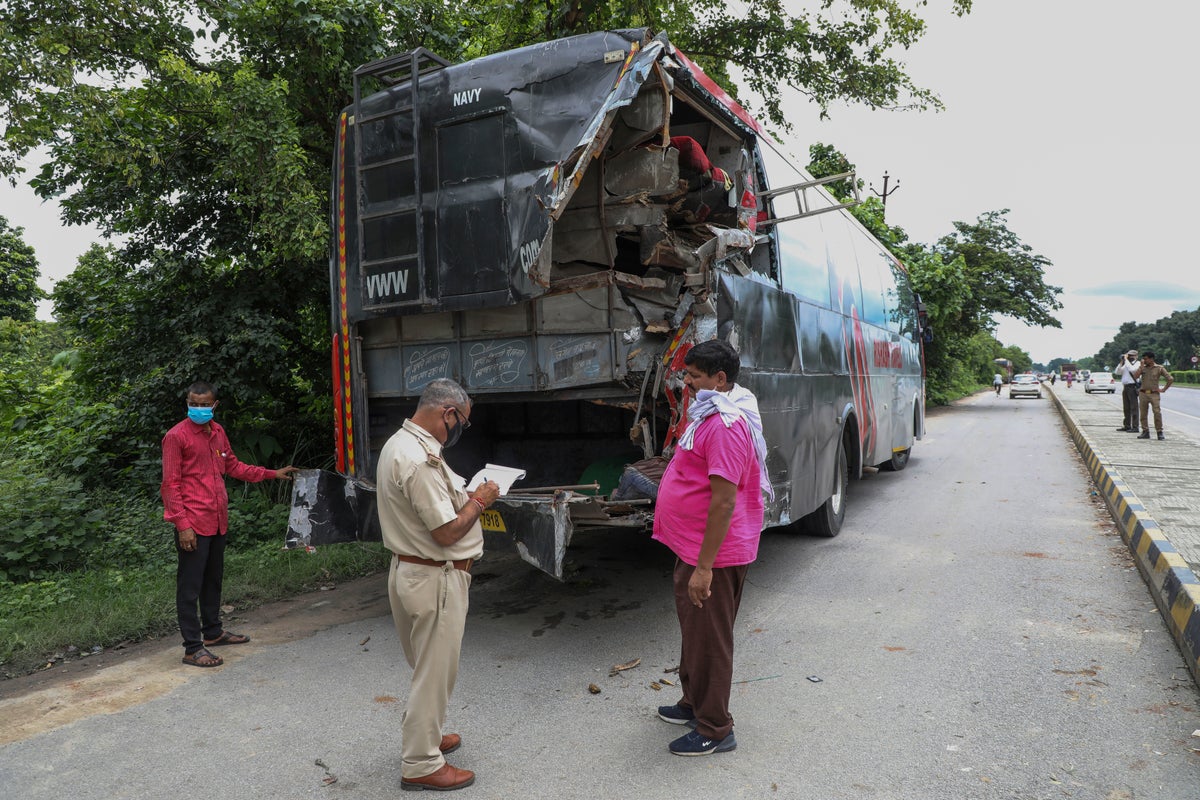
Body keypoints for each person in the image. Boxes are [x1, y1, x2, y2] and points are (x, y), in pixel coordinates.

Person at [375, 378, 500, 791]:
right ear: (448, 413)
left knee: (428, 667)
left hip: (411, 572)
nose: (459, 429)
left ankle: (428, 734)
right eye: (460, 421)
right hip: (434, 577)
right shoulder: (418, 459)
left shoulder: (401, 444)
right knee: (434, 672)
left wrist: (468, 495)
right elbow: (446, 532)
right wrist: (479, 501)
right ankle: (421, 763)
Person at [651, 339, 768, 757]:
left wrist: (704, 568)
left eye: (695, 375)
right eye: (686, 374)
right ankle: (692, 703)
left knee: (710, 640)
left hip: (713, 555)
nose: (687, 381)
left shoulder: (725, 425)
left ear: (720, 379)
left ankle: (715, 728)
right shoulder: (708, 411)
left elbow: (723, 500)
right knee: (695, 632)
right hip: (694, 546)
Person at [161, 381, 298, 668]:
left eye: (204, 404)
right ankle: (192, 648)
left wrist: (272, 473)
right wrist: (182, 525)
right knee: (190, 587)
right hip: (194, 522)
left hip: (217, 519)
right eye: (193, 403)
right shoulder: (176, 437)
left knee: (213, 580)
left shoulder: (217, 432)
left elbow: (233, 466)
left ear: (215, 405)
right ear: (187, 403)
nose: (198, 408)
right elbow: (170, 486)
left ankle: (212, 633)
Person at [1133, 351, 1174, 440]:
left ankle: (1159, 432)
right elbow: (1135, 377)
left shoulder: (1159, 368)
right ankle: (1145, 431)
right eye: (1143, 359)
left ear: (1151, 359)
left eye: (1146, 359)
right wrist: (1141, 366)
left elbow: (1170, 379)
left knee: (1157, 412)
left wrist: (1163, 389)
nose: (1144, 360)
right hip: (1143, 393)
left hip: (1154, 394)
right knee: (1143, 413)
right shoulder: (1142, 368)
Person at [1114, 350, 1140, 432]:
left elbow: (1133, 370)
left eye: (1132, 356)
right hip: (1125, 387)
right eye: (1129, 355)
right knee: (1126, 408)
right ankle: (1127, 425)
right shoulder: (1126, 364)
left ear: (1136, 356)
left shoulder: (1138, 363)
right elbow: (1117, 372)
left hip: (1132, 387)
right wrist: (1122, 361)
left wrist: (1127, 361)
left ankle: (1135, 427)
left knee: (1134, 408)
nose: (1130, 357)